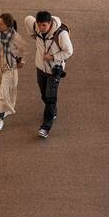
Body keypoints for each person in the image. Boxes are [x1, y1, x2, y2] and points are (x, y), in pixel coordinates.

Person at [24, 10, 73, 138]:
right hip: (40, 68)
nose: (41, 28)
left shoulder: (61, 35)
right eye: (39, 25)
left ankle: (46, 127)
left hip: (54, 70)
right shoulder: (37, 28)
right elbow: (27, 19)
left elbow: (69, 51)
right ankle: (53, 111)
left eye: (44, 25)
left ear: (50, 23)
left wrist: (52, 57)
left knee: (50, 98)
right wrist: (33, 35)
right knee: (44, 95)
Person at [0, 14, 24, 130]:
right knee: (1, 87)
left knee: (3, 91)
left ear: (8, 25)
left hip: (9, 67)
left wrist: (21, 61)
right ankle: (7, 108)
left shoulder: (15, 37)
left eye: (1, 23)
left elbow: (22, 50)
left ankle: (0, 119)